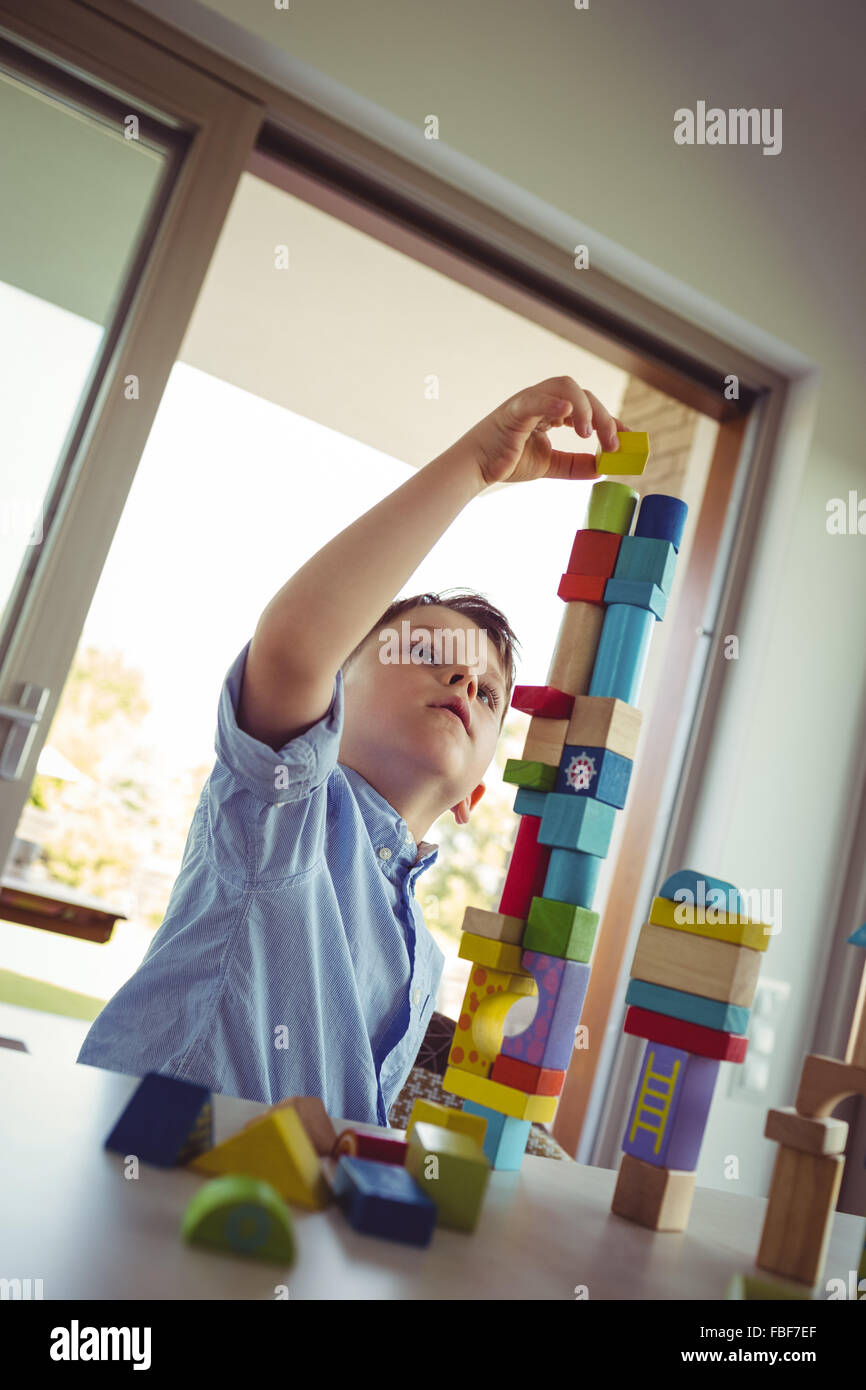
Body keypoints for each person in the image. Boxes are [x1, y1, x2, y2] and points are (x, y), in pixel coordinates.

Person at [77, 376, 630, 1124]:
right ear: (331, 699)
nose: (466, 677)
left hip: (277, 1219)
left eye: (490, 692)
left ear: (473, 796)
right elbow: (293, 648)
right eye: (428, 651)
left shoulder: (424, 963)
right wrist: (473, 464)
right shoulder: (284, 812)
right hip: (155, 1178)